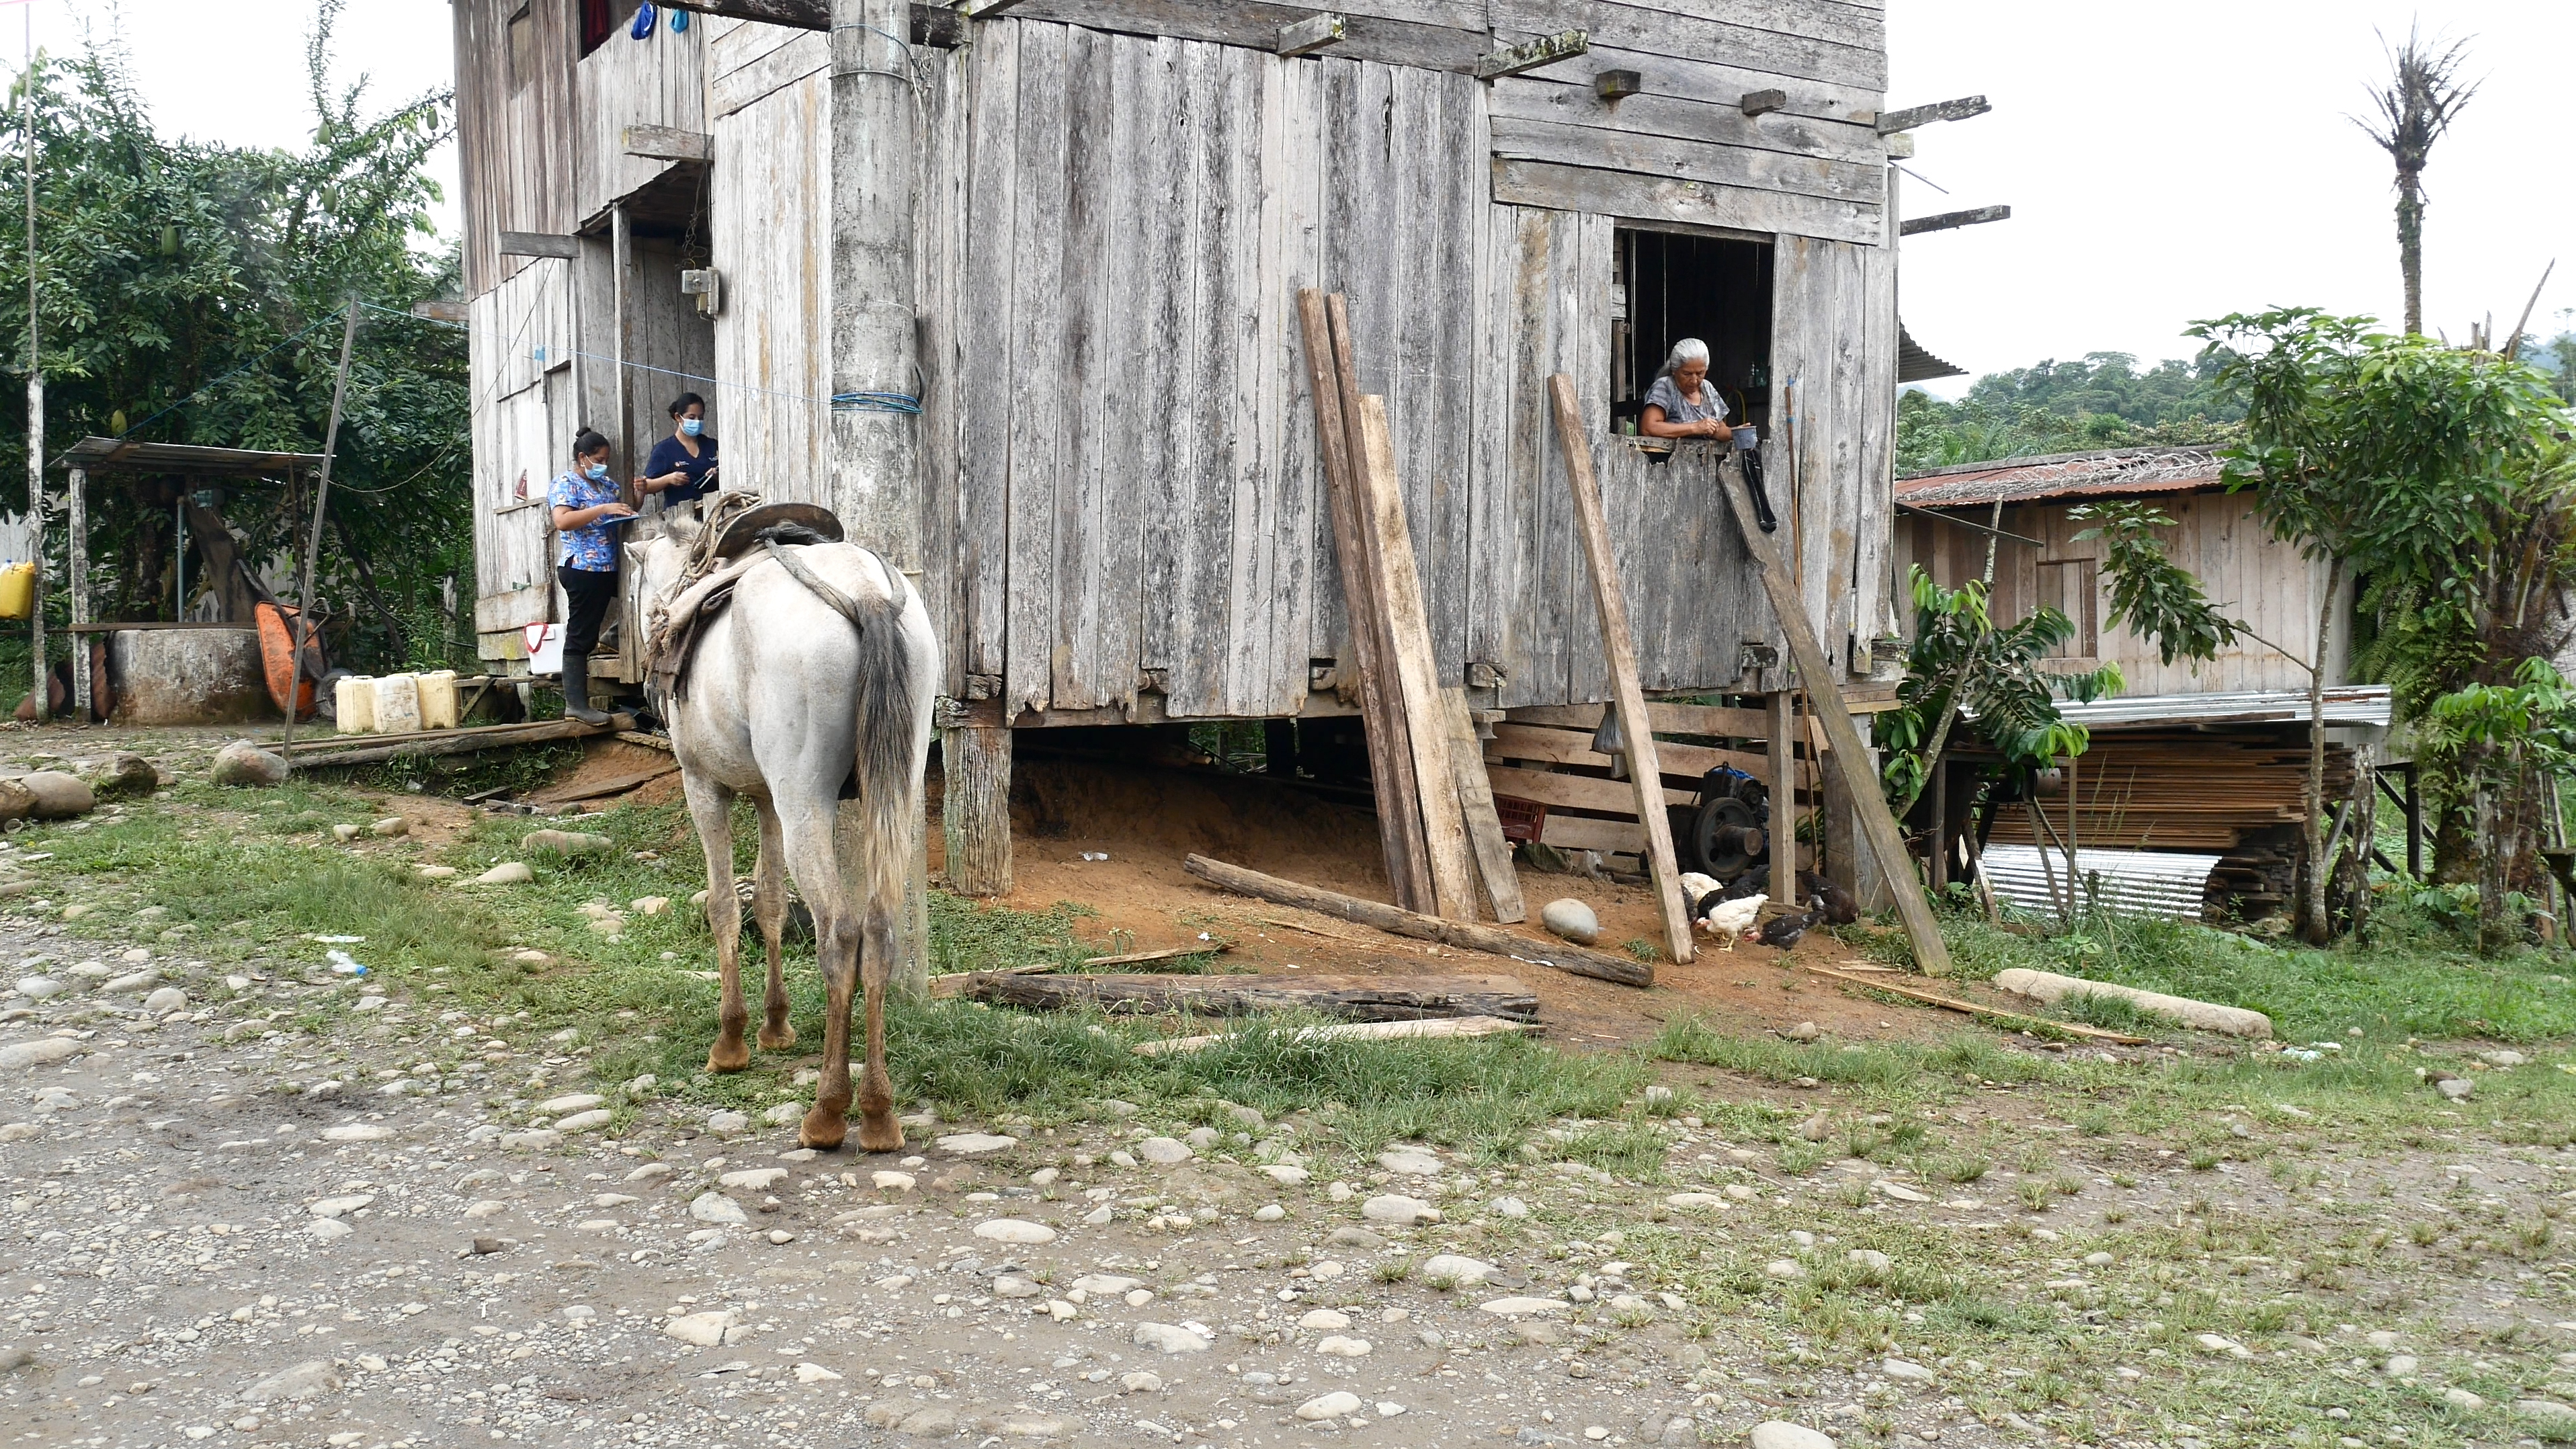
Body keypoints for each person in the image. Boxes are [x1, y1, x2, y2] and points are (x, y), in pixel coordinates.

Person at [549, 427, 636, 725]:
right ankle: (576, 705)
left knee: (638, 600)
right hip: (582, 569)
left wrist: (632, 501)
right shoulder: (566, 483)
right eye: (599, 459)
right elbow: (562, 521)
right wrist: (602, 509)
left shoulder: (608, 485)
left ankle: (612, 637)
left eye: (606, 460)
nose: (603, 465)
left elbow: (615, 513)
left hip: (611, 566)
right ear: (582, 457)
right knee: (581, 634)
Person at [1639, 338, 1735, 442]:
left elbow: (1719, 429)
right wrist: (1695, 427)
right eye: (1687, 374)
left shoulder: (1707, 388)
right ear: (1674, 370)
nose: (1694, 381)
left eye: (1700, 373)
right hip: (1668, 458)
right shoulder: (1665, 387)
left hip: (1703, 458)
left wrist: (1735, 433)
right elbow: (1648, 428)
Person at [640, 392, 720, 511]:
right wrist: (668, 479)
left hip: (713, 511)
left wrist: (716, 476)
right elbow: (646, 486)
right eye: (692, 418)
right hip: (680, 516)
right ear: (678, 417)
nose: (697, 422)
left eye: (701, 418)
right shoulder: (664, 450)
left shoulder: (712, 445)